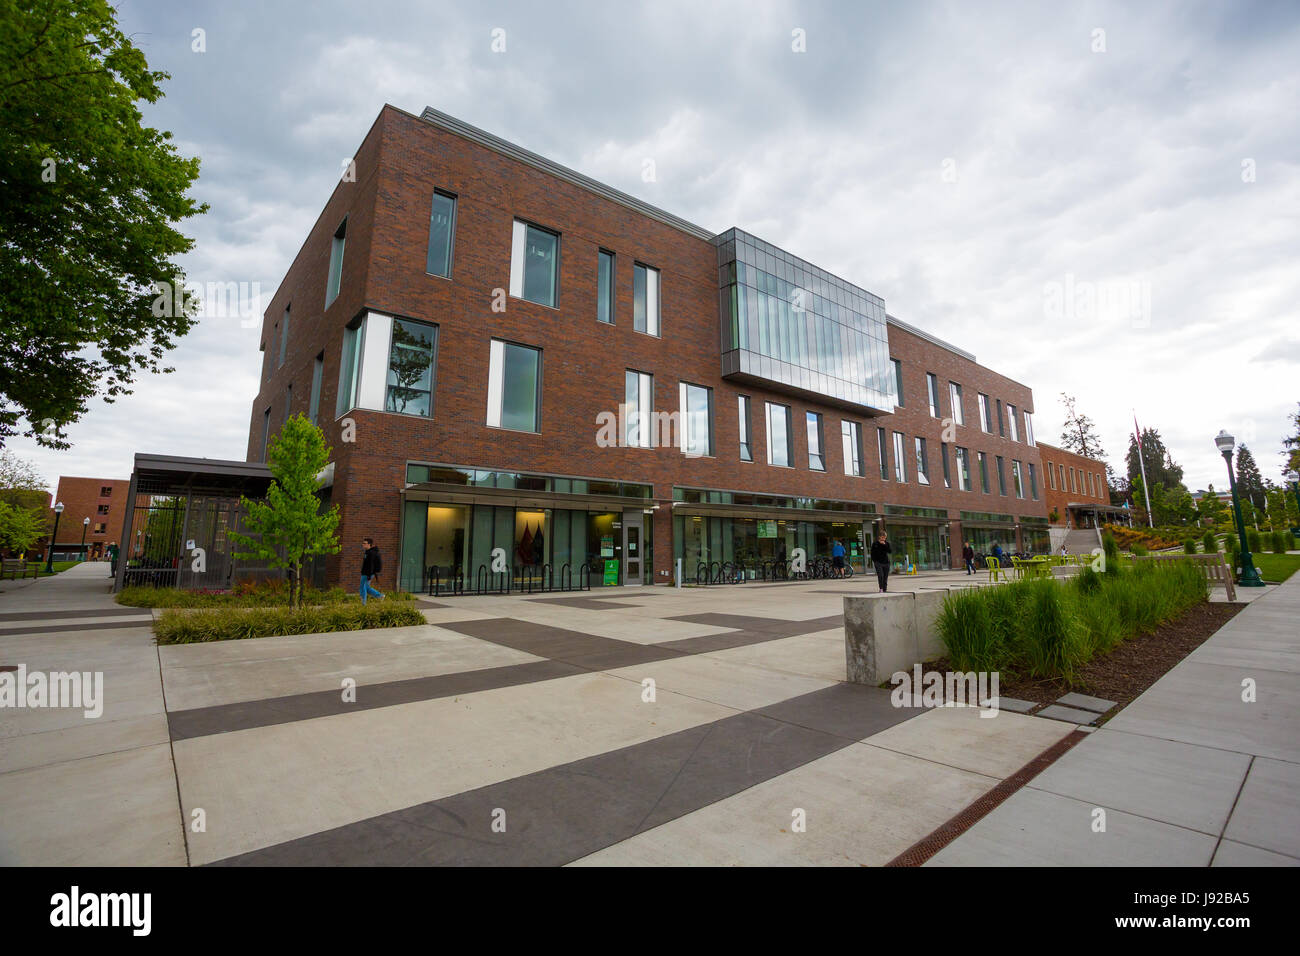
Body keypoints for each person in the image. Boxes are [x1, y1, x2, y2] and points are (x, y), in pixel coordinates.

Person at [360, 537, 384, 604]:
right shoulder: (367, 552)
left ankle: (363, 603)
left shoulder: (370, 553)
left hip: (367, 573)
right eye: (363, 543)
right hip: (367, 573)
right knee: (366, 587)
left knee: (362, 587)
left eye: (364, 543)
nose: (363, 545)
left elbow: (371, 565)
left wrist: (369, 575)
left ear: (369, 544)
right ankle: (380, 596)